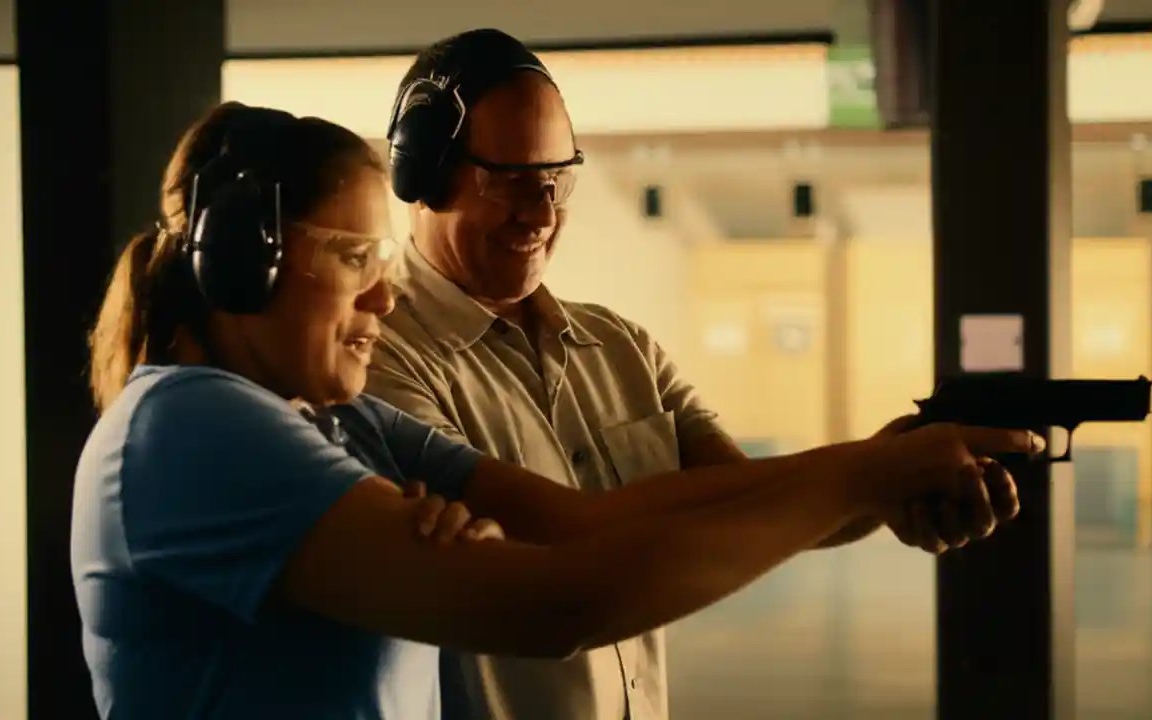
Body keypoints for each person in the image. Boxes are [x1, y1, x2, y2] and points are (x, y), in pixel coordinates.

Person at [72, 99, 1039, 720]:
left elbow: (585, 522)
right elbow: (554, 601)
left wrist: (877, 464)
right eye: (354, 259)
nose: (384, 297)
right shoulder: (190, 424)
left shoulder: (335, 420)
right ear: (247, 261)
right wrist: (860, 478)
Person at [368, 28, 1028, 720]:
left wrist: (892, 466)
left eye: (557, 179)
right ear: (423, 172)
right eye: (508, 182)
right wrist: (867, 474)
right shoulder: (380, 359)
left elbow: (747, 496)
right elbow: (564, 543)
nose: (542, 213)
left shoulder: (621, 348)